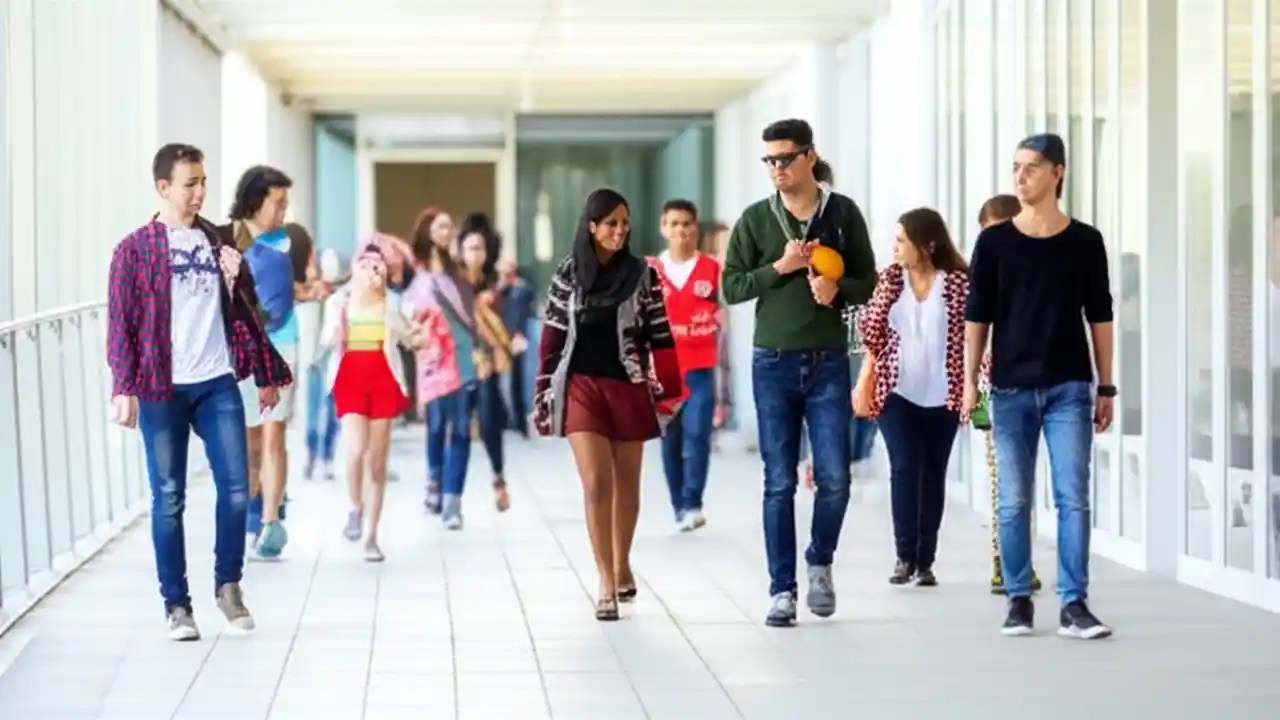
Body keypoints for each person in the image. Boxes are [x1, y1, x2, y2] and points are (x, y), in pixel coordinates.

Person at [107, 143, 291, 640]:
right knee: (169, 497)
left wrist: (266, 373)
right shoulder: (135, 249)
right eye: (190, 183)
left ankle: (228, 586)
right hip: (160, 386)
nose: (200, 191)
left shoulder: (218, 244)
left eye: (204, 181)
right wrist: (123, 386)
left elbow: (248, 314)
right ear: (163, 187)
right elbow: (120, 323)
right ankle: (177, 605)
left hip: (216, 382)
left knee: (235, 487)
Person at [721, 118, 877, 627]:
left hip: (828, 360)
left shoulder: (843, 213)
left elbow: (869, 283)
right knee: (779, 481)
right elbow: (733, 287)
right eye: (769, 161)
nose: (777, 169)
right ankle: (781, 589)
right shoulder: (755, 220)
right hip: (772, 362)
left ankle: (819, 561)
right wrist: (781, 268)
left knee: (834, 478)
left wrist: (838, 292)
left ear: (810, 156)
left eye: (785, 158)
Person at [964, 133, 1115, 639]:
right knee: (1013, 500)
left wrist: (1107, 386)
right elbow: (977, 317)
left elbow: (1101, 316)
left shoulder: (1085, 241)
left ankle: (1074, 604)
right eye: (1015, 168)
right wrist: (969, 382)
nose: (1020, 177)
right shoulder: (995, 242)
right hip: (1009, 388)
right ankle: (1018, 600)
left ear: (1058, 173)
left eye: (1030, 168)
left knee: (1073, 496)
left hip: (1069, 386)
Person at [533, 188, 683, 621]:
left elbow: (659, 331)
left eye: (624, 222)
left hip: (629, 384)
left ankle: (622, 563)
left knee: (626, 486)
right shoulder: (568, 272)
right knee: (597, 482)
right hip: (581, 386)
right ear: (592, 227)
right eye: (610, 223)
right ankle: (603, 578)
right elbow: (553, 336)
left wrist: (670, 388)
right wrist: (542, 392)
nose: (619, 230)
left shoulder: (643, 274)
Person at [857, 208, 968, 587]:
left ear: (927, 244)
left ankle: (925, 560)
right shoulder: (890, 279)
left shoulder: (956, 283)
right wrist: (883, 298)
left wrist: (975, 387)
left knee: (932, 473)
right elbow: (870, 332)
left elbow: (974, 338)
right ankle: (904, 555)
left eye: (902, 240)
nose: (895, 247)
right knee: (904, 467)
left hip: (943, 393)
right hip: (896, 391)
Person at [322, 243, 412, 561]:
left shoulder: (394, 301)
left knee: (377, 460)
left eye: (378, 265)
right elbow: (328, 340)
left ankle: (372, 534)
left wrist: (388, 308)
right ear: (353, 269)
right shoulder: (339, 301)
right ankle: (354, 507)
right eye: (365, 264)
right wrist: (343, 317)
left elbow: (408, 337)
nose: (372, 270)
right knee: (356, 449)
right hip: (350, 376)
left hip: (383, 376)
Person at [225, 165, 297, 560]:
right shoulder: (226, 239)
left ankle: (270, 522)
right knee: (250, 433)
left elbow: (288, 289)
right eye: (278, 203)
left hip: (283, 344)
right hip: (244, 352)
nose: (283, 211)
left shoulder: (285, 243)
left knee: (274, 431)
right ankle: (253, 516)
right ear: (255, 201)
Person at [974, 194, 1043, 595]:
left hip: (1031, 383)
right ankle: (1005, 564)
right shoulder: (979, 274)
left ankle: (1016, 562)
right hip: (988, 389)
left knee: (1023, 481)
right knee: (1002, 478)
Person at [649, 199, 721, 532]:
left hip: (701, 367)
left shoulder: (711, 269)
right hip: (663, 370)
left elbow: (723, 306)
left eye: (687, 224)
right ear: (664, 228)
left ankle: (694, 502)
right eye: (674, 223)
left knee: (698, 435)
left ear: (696, 228)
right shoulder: (649, 271)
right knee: (671, 439)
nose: (681, 230)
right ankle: (679, 505)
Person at [405, 220, 477, 528]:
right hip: (433, 362)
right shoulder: (417, 276)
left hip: (462, 358)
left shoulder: (459, 274)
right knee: (436, 426)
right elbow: (407, 315)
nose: (447, 231)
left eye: (450, 227)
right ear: (428, 233)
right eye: (441, 226)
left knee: (461, 429)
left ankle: (453, 502)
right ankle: (434, 482)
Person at [458, 227, 514, 512]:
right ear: (460, 252)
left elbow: (504, 321)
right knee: (456, 428)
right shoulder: (455, 286)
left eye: (479, 247)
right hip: (460, 365)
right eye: (470, 248)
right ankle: (449, 492)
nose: (475, 253)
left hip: (488, 364)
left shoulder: (494, 284)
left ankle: (498, 476)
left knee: (490, 422)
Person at [497, 258, 535, 438]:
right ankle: (507, 419)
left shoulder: (522, 289)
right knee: (504, 381)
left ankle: (520, 422)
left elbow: (522, 313)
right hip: (503, 338)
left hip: (517, 338)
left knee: (516, 381)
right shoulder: (503, 290)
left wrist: (519, 334)